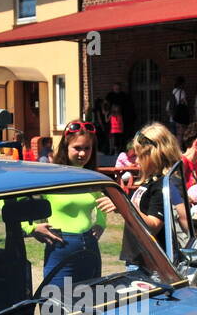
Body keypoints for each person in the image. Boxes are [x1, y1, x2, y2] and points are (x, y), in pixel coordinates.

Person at [28, 122, 107, 287]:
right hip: (60, 248)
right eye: (77, 148)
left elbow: (102, 203)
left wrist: (100, 223)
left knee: (91, 305)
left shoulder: (91, 177)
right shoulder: (50, 177)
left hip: (90, 247)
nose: (83, 153)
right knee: (55, 306)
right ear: (65, 147)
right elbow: (7, 201)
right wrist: (31, 228)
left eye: (87, 148)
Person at [118, 122, 188, 263]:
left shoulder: (163, 185)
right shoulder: (150, 181)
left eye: (140, 156)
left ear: (154, 155)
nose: (136, 161)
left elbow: (154, 225)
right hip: (139, 258)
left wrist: (122, 205)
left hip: (151, 264)